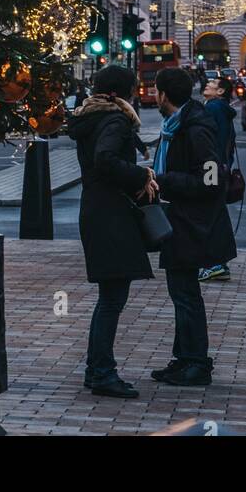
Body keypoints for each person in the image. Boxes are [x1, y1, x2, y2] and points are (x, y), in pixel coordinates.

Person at [68, 65, 156, 398]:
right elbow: (105, 159)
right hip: (111, 215)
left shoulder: (91, 119)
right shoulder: (115, 121)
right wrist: (140, 176)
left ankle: (98, 369)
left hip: (96, 212)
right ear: (119, 94)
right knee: (112, 299)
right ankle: (101, 371)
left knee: (110, 296)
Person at [152, 67, 236, 388]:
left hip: (193, 224)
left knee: (186, 296)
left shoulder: (195, 128)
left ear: (164, 95)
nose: (155, 94)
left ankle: (197, 364)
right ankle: (183, 359)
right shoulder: (175, 125)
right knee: (181, 293)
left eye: (157, 89)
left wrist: (164, 180)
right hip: (180, 221)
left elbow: (212, 178)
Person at [199, 74, 237, 282]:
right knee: (215, 211)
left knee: (210, 212)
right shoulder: (220, 109)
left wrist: (210, 171)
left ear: (221, 91)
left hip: (212, 166)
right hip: (218, 166)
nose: (207, 84)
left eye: (212, 84)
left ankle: (216, 264)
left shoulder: (213, 108)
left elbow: (212, 141)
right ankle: (216, 263)